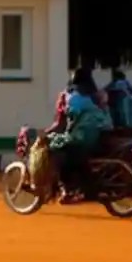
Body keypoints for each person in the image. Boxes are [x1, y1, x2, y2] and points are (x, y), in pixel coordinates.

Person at [48, 71, 112, 202]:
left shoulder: (75, 97)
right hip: (103, 133)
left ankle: (67, 188)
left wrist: (63, 131)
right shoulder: (99, 96)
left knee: (58, 151)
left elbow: (71, 118)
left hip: (85, 135)